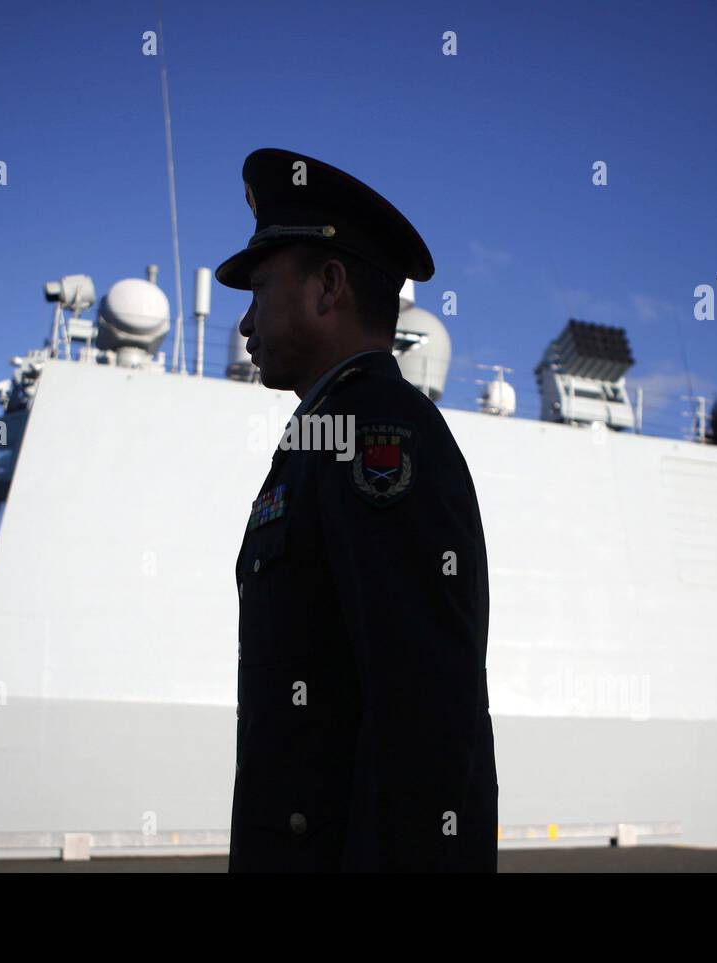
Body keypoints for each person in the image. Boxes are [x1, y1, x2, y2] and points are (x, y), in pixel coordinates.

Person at [216, 147, 498, 872]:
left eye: (259, 290)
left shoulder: (377, 432)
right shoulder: (321, 434)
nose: (245, 324)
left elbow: (423, 713)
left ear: (327, 287)